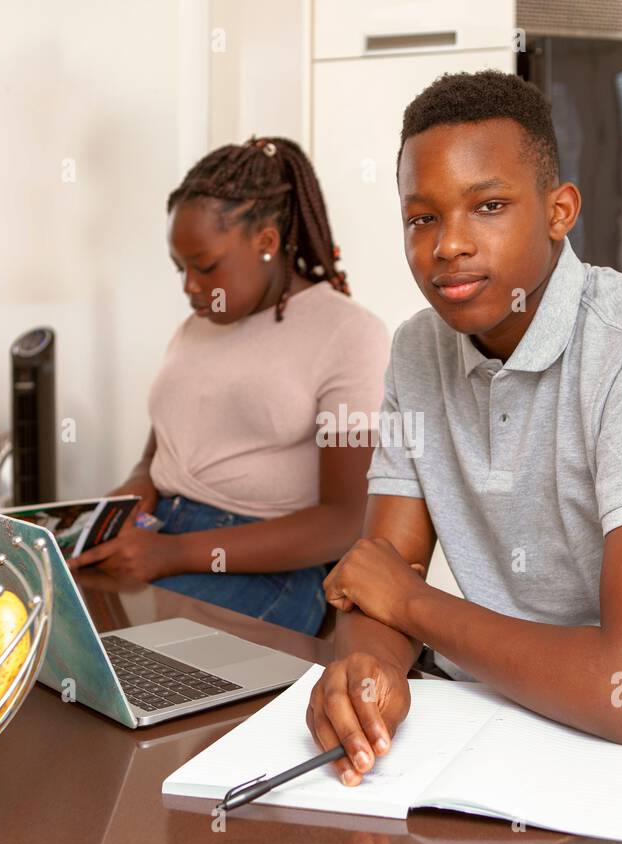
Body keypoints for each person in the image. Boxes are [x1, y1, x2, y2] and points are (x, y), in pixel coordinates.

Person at [306, 71, 622, 830]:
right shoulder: (421, 349)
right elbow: (377, 571)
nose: (448, 245)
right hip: (484, 713)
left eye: (488, 206)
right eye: (421, 217)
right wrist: (370, 670)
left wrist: (412, 606)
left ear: (559, 212)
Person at [70, 136, 389, 638]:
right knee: (50, 628)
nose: (190, 287)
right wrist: (138, 485)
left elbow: (344, 521)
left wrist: (173, 554)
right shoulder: (198, 325)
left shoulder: (349, 333)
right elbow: (167, 438)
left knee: (142, 668)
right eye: (181, 268)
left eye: (206, 265)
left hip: (263, 564)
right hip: (160, 534)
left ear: (265, 241)